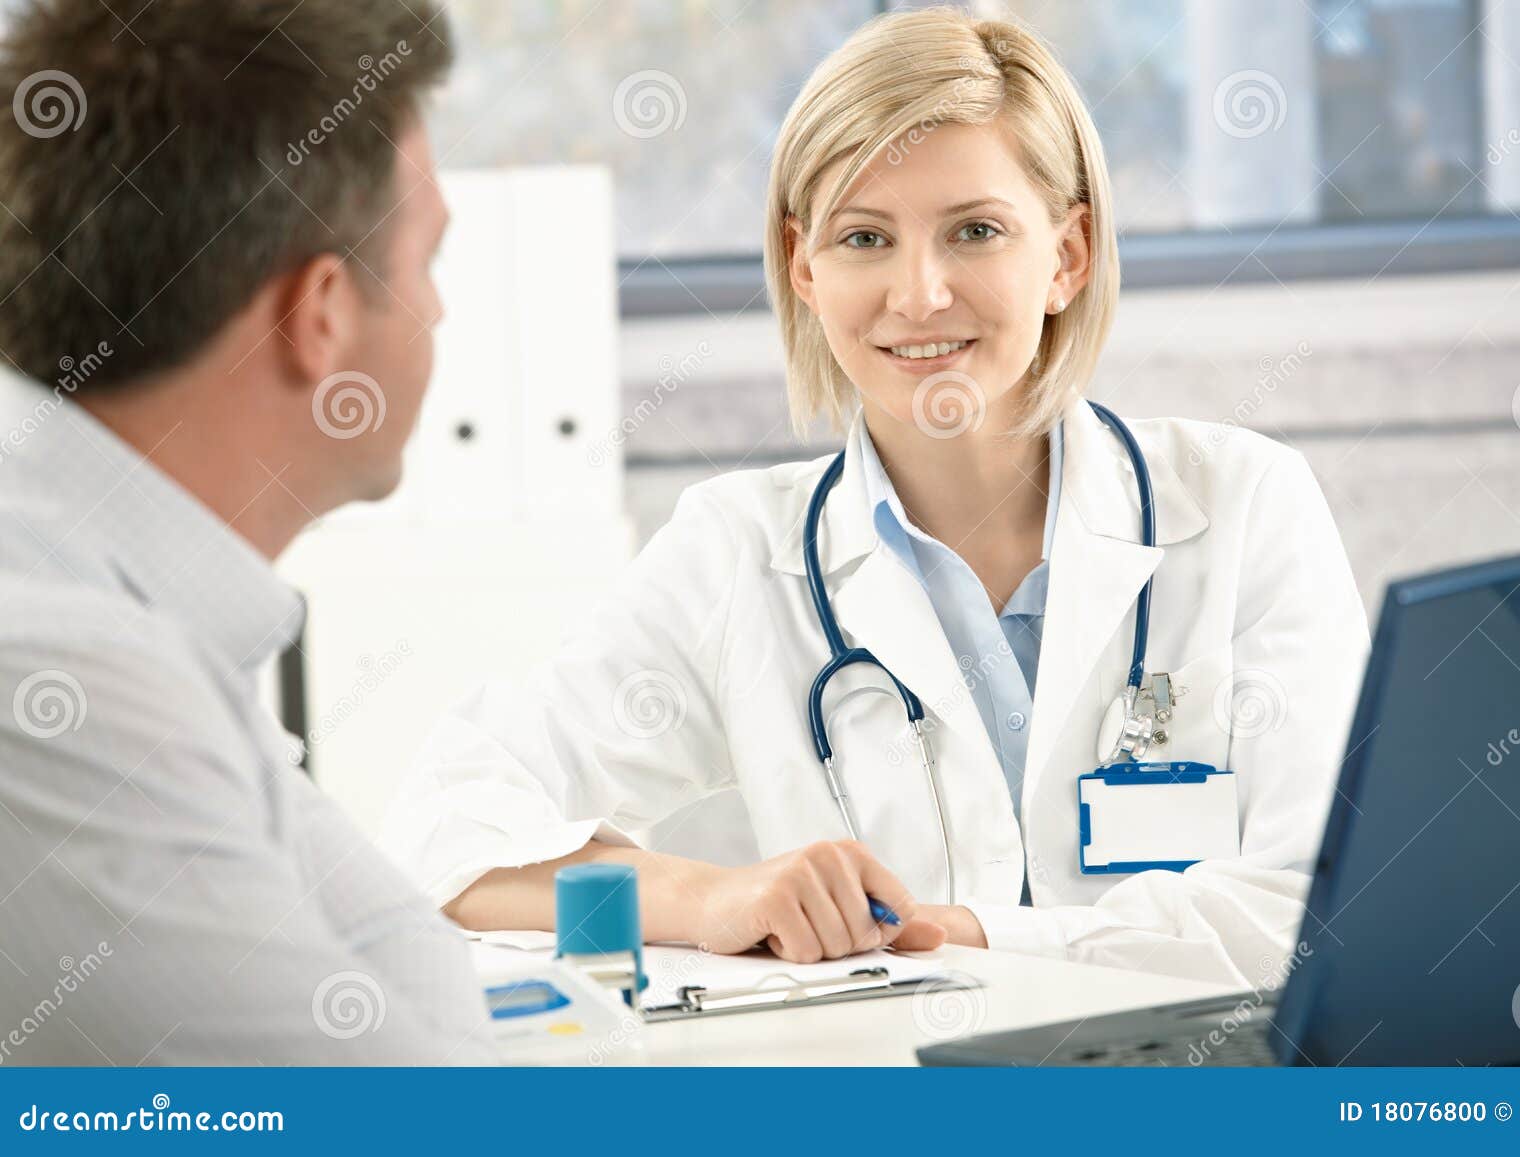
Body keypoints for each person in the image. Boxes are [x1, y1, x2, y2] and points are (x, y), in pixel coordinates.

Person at [382, 6, 1371, 988]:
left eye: (974, 230)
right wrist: (708, 897)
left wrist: (967, 934)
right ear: (802, 268)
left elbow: (1329, 909)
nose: (919, 294)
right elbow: (446, 820)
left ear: (1067, 254)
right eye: (863, 238)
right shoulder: (736, 552)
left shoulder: (1241, 505)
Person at [0, 0, 495, 1063]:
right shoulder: (56, 681)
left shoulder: (124, 604)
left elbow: (394, 944)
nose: (439, 315)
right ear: (319, 315)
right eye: (426, 264)